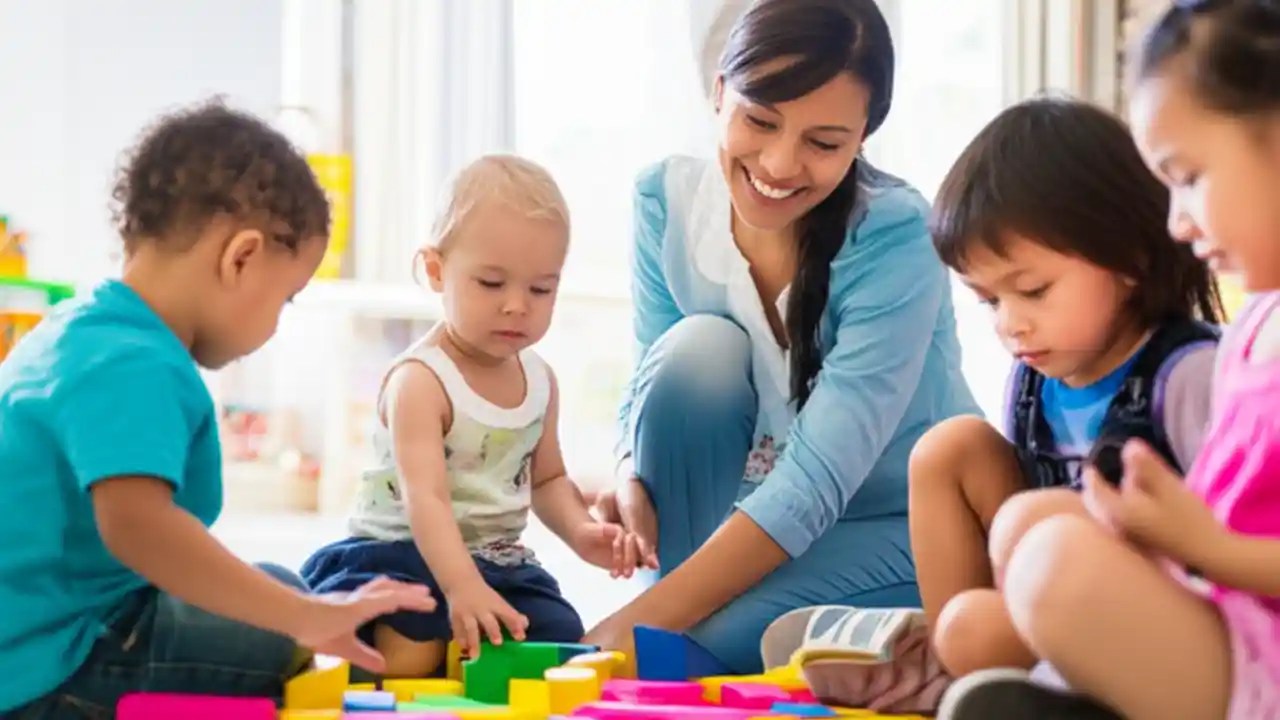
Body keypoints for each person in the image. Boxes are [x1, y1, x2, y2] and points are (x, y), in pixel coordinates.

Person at [0, 101, 435, 718]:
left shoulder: (87, 330)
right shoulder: (132, 361)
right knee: (279, 626)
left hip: (47, 630)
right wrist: (304, 618)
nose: (277, 320)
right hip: (46, 664)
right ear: (240, 257)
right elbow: (137, 526)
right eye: (285, 298)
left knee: (278, 591)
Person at [587, 0, 979, 674]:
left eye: (823, 143)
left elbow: (815, 481)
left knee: (701, 640)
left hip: (902, 527)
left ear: (862, 136)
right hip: (755, 520)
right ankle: (667, 626)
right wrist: (629, 475)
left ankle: (668, 638)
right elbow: (647, 384)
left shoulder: (895, 235)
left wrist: (628, 624)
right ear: (719, 93)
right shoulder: (665, 203)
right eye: (759, 120)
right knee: (695, 353)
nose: (778, 162)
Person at [938, 1, 1280, 718]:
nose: (1175, 221)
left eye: (1188, 177)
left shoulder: (1199, 366)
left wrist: (1202, 547)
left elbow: (1217, 541)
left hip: (1258, 652)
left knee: (1055, 563)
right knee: (1030, 525)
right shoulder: (1258, 327)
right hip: (1229, 617)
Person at [302, 155, 654, 679]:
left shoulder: (539, 381)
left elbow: (548, 478)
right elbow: (428, 500)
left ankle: (462, 660)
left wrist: (581, 531)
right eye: (491, 283)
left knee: (559, 640)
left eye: (541, 289)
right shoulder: (421, 381)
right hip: (401, 554)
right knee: (411, 652)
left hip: (499, 562)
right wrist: (460, 586)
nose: (517, 305)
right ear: (436, 271)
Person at [911, 97, 1222, 678]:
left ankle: (974, 665)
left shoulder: (1189, 373)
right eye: (989, 301)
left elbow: (1227, 550)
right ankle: (948, 668)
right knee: (948, 449)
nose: (1010, 324)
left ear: (1129, 259)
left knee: (973, 628)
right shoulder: (1036, 377)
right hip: (1046, 586)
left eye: (1032, 290)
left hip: (1153, 617)